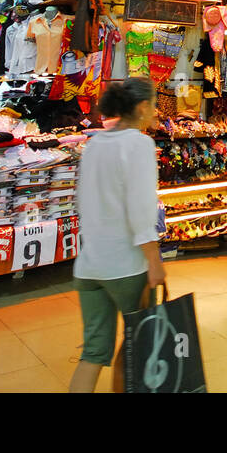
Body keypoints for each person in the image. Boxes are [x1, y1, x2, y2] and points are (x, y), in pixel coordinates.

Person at [70, 77, 165, 393]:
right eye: (153, 104)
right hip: (126, 268)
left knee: (94, 353)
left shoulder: (95, 143)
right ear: (140, 107)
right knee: (135, 348)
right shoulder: (140, 144)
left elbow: (82, 201)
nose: (155, 111)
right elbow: (141, 212)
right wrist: (154, 261)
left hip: (89, 266)